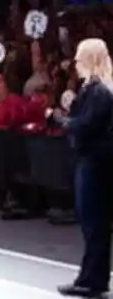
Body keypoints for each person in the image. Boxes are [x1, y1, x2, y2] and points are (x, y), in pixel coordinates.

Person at [60, 38, 113, 297]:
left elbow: (86, 124)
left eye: (80, 58)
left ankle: (91, 279)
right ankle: (93, 277)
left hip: (95, 162)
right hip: (95, 161)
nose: (76, 64)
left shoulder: (99, 91)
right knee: (94, 223)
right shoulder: (96, 89)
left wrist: (62, 120)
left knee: (94, 222)